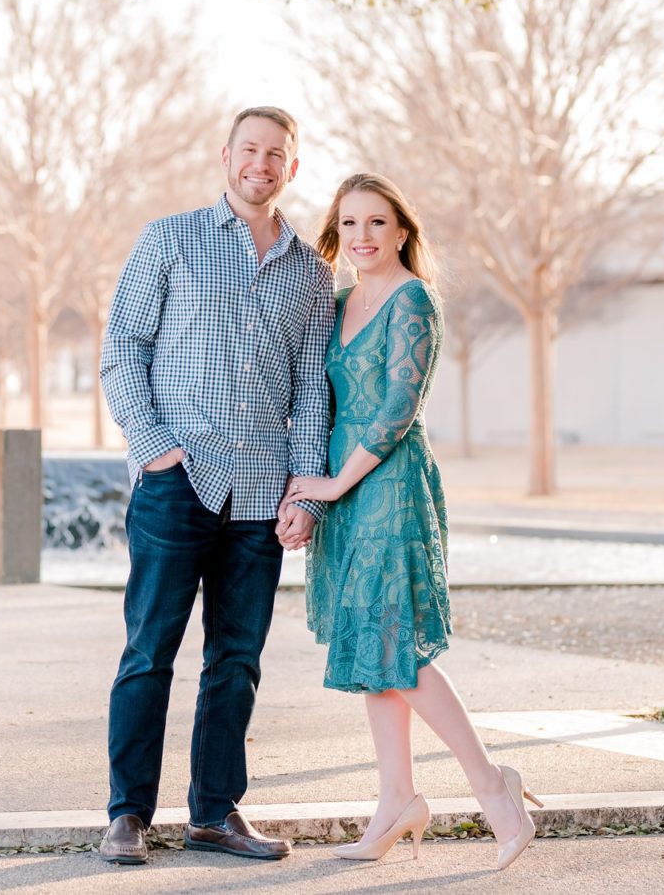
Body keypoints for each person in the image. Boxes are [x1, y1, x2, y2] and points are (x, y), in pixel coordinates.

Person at [280, 172, 542, 869]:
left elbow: (398, 408)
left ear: (402, 232)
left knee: (395, 646)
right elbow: (316, 404)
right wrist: (308, 497)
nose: (363, 236)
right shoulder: (337, 304)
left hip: (388, 484)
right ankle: (397, 799)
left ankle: (494, 789)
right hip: (344, 490)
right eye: (351, 223)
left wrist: (333, 482)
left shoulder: (413, 300)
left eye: (377, 223)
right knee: (373, 651)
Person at [96, 106, 336, 866]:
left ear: (291, 168)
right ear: (226, 156)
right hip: (178, 481)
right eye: (250, 150)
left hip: (262, 495)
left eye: (276, 154)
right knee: (149, 651)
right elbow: (121, 350)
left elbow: (311, 396)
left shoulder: (311, 272)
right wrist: (157, 448)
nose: (260, 164)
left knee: (236, 659)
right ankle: (128, 815)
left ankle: (215, 812)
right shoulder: (170, 239)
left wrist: (302, 495)